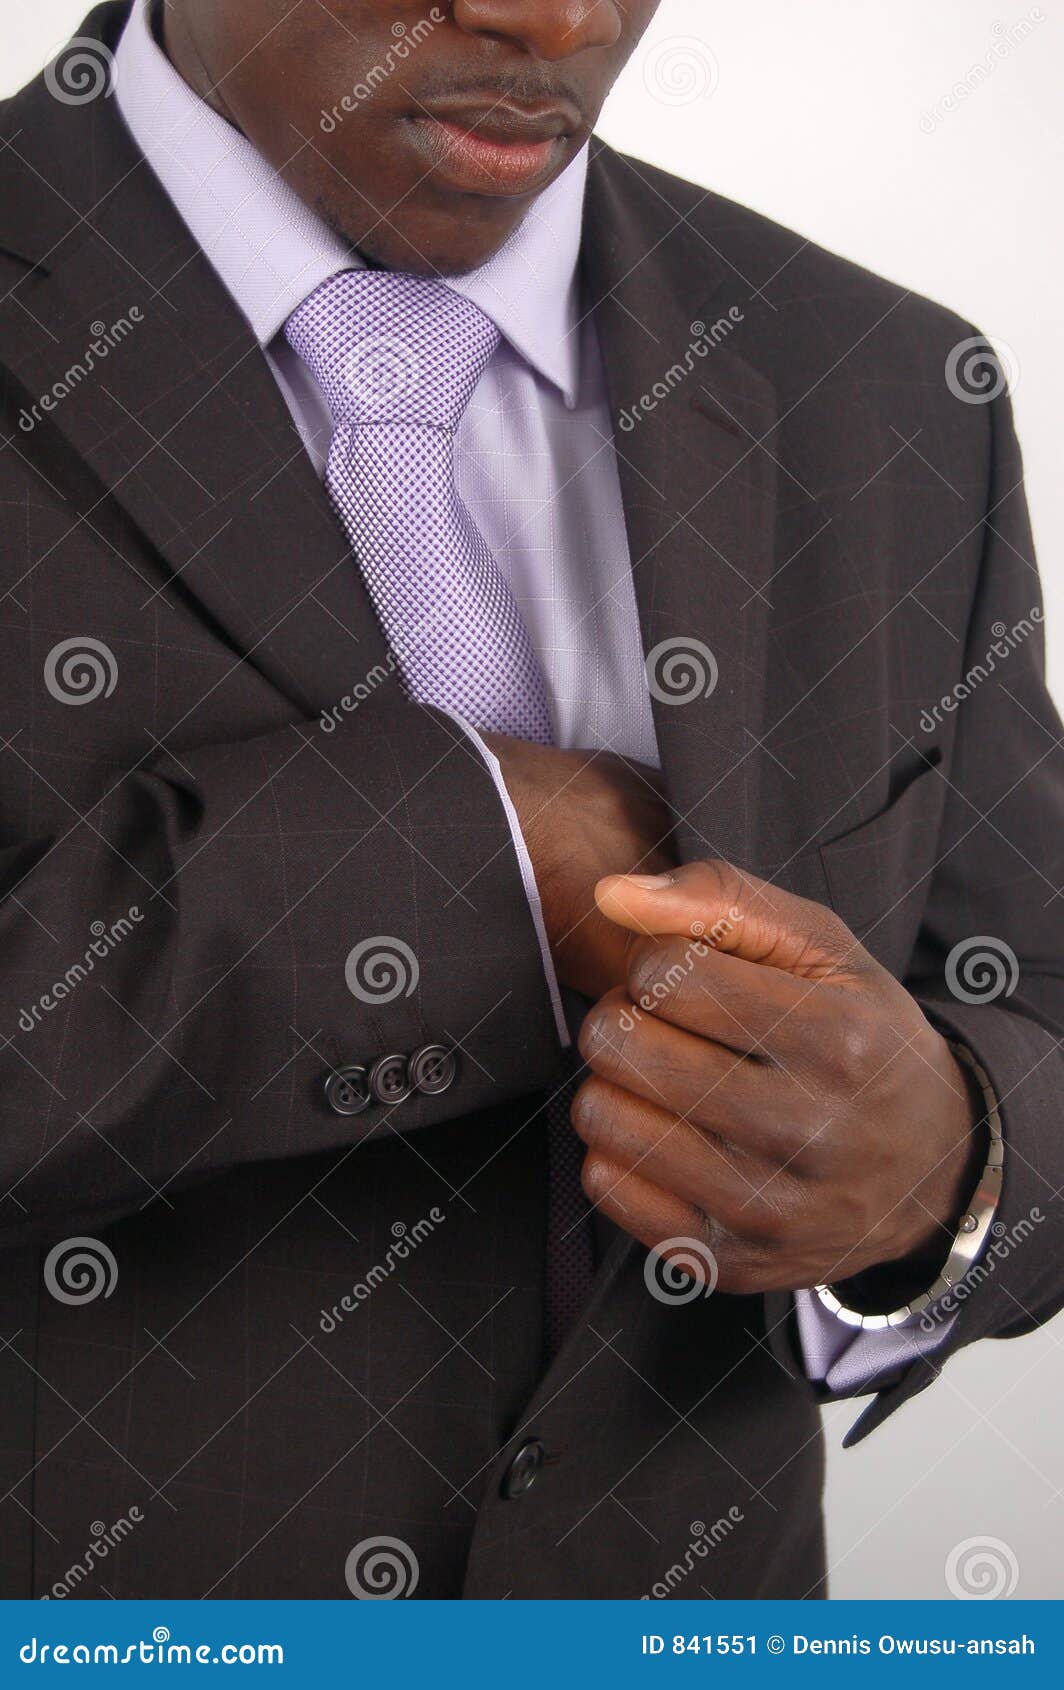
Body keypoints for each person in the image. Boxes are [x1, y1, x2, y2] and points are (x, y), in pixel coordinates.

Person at [0, 0, 1060, 1600]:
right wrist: (482, 851)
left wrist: (947, 1167)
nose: (555, 18)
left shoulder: (893, 388)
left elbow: (1032, 985)